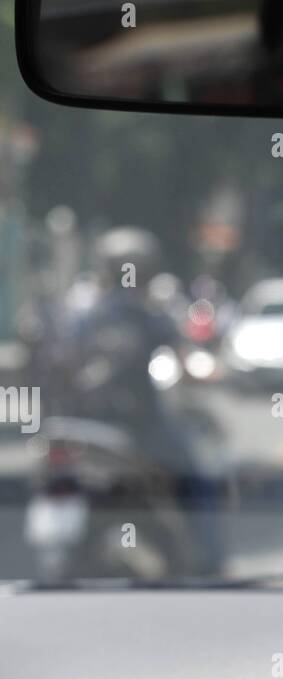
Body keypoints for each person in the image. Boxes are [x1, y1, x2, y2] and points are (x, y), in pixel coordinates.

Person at [60, 227, 223, 573]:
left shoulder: (81, 315)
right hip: (138, 429)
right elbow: (188, 363)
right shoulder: (148, 316)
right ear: (147, 271)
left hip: (78, 429)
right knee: (197, 479)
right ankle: (210, 562)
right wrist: (216, 373)